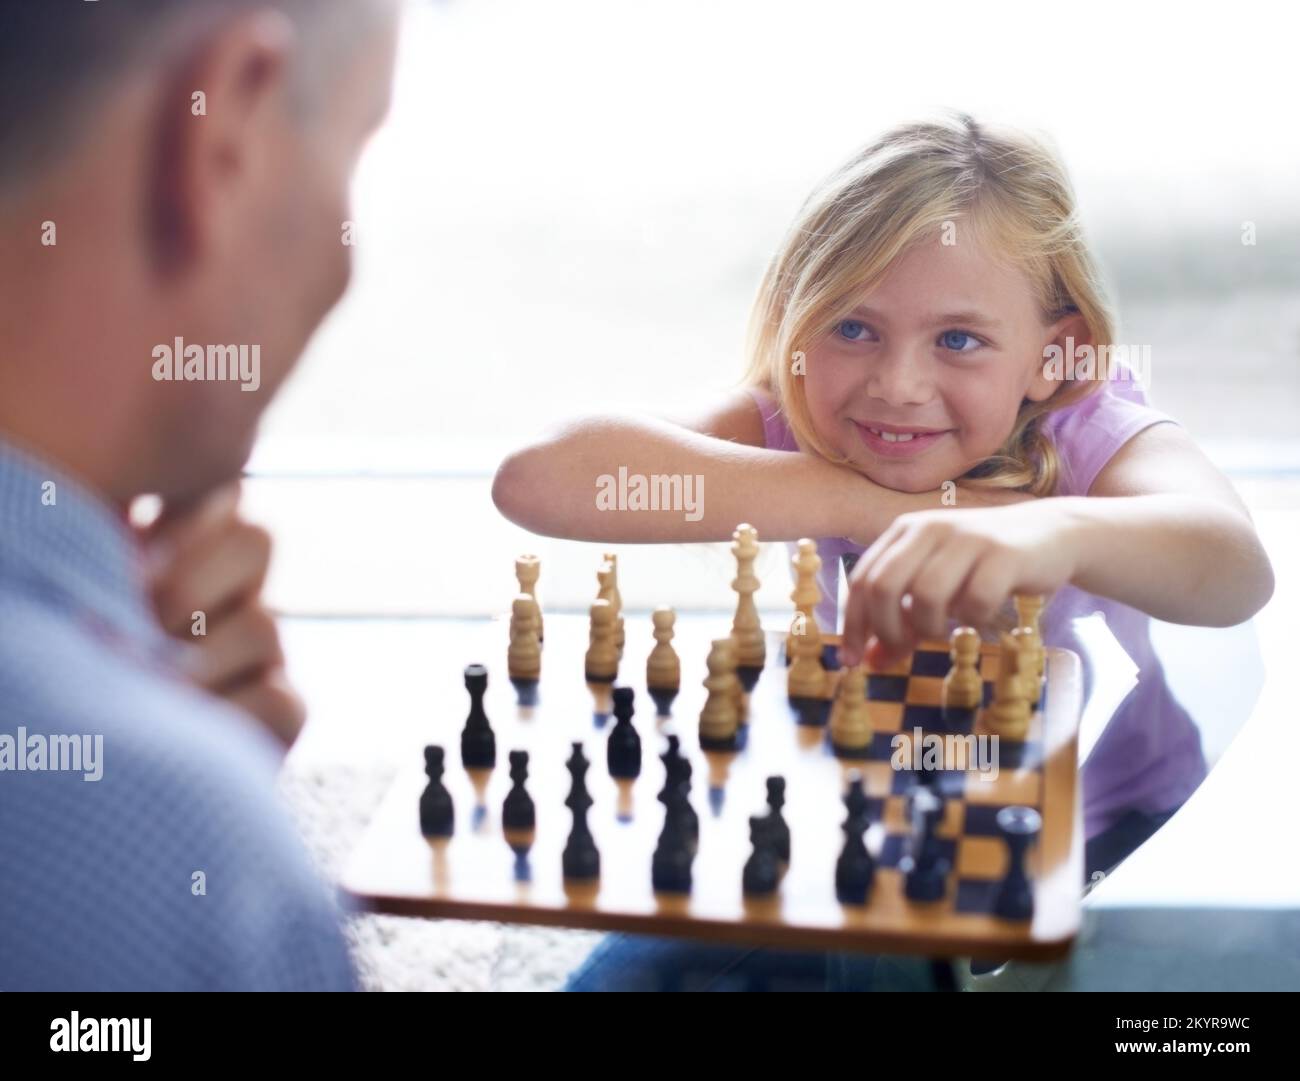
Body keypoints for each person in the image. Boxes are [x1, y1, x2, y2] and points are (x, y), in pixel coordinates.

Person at [492, 112, 1274, 991]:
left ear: (1055, 355)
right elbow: (536, 477)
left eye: (959, 339)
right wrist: (860, 502)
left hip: (1101, 828)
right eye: (853, 328)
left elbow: (1236, 564)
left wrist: (1046, 529)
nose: (897, 386)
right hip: (863, 806)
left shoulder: (1089, 431)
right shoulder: (809, 421)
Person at [0, 0, 400, 990]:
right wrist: (199, 836)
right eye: (350, 152)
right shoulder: (177, 830)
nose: (344, 264)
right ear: (223, 127)